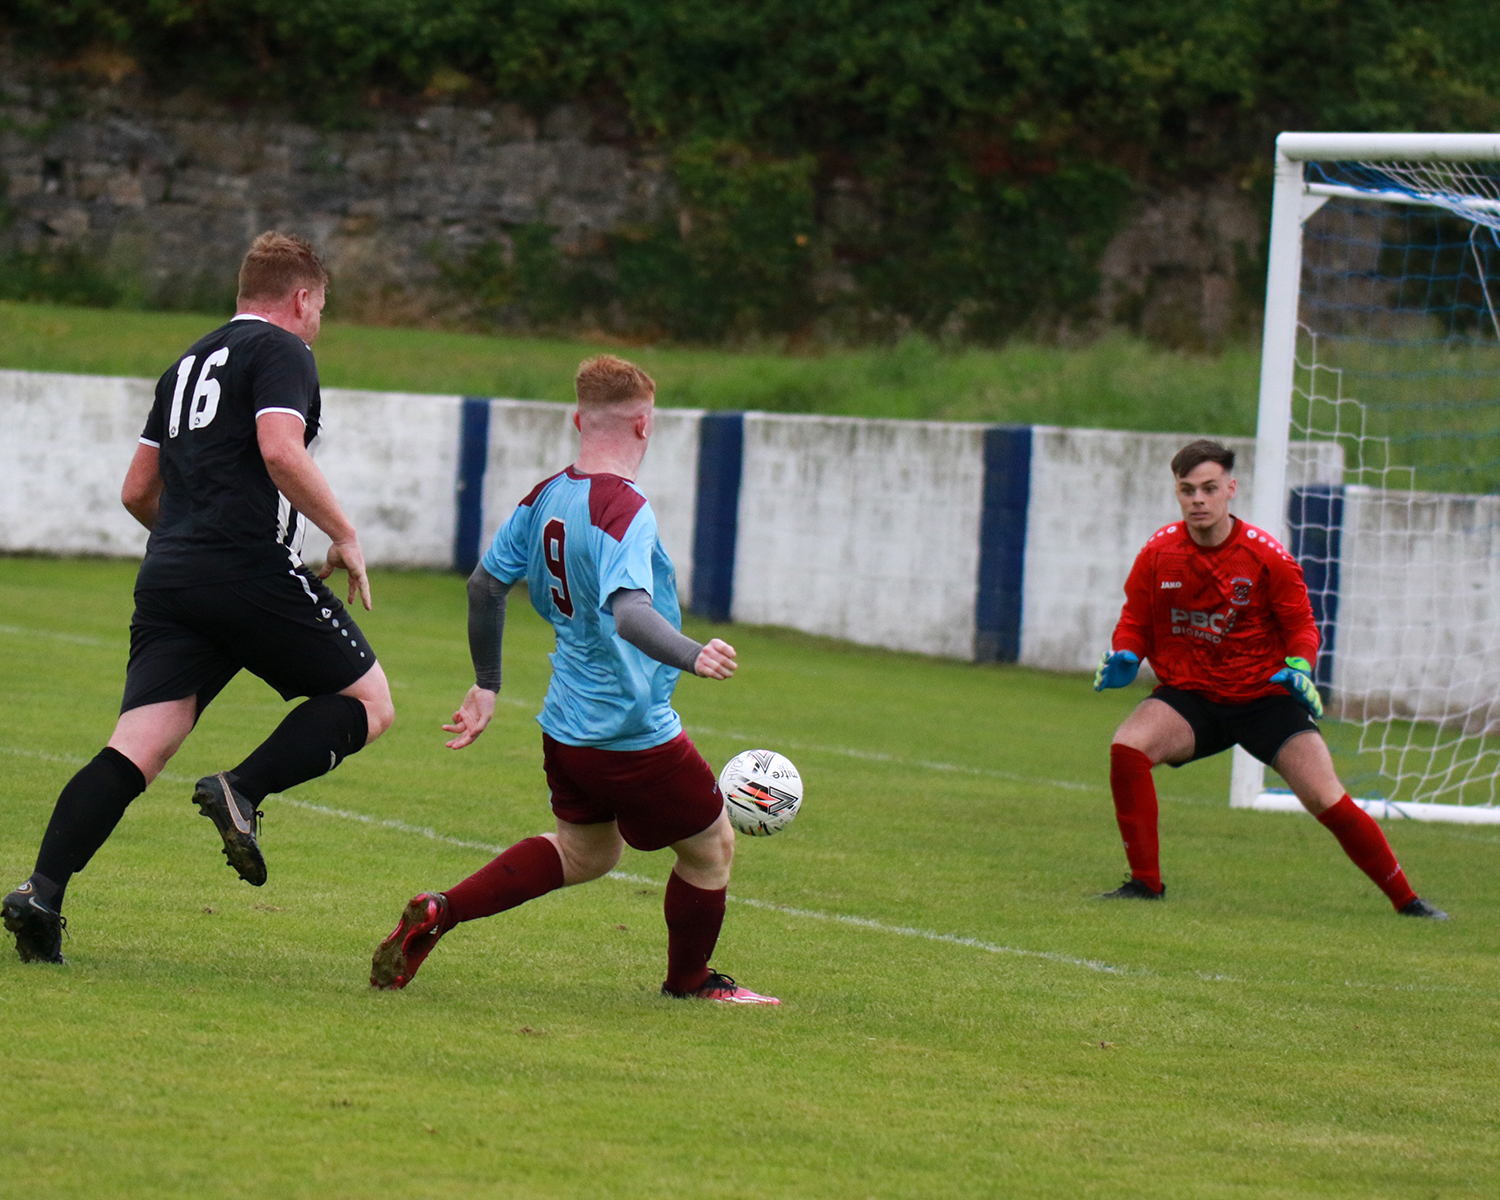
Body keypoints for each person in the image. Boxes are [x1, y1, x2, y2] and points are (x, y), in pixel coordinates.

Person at [3, 232, 396, 964]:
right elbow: (281, 449)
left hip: (170, 576)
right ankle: (241, 788)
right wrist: (343, 532)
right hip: (247, 565)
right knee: (371, 704)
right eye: (321, 309)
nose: (319, 324)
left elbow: (136, 491)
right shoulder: (283, 351)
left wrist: (190, 548)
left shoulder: (185, 364)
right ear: (302, 298)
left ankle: (42, 892)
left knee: (134, 750)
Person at [370, 354, 778, 1004]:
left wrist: (487, 682)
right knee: (710, 846)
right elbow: (631, 614)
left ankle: (441, 910)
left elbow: (483, 587)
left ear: (575, 418)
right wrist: (691, 653)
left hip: (566, 728)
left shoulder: (545, 496)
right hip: (629, 730)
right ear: (645, 424)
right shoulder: (626, 510)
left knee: (585, 854)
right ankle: (691, 983)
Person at [1092, 438, 1447, 918]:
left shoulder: (1266, 557)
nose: (1198, 499)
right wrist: (1127, 652)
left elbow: (1302, 625)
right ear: (1177, 493)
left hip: (1265, 698)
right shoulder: (1159, 553)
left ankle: (1408, 901)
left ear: (1230, 489)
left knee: (1325, 796)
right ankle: (1145, 885)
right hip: (1193, 697)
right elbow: (1135, 616)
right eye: (1187, 489)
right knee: (1128, 749)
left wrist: (1300, 667)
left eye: (1209, 488)